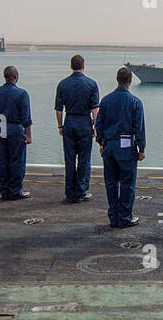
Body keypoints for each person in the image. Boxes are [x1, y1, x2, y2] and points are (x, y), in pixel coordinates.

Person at [96, 67, 146, 228]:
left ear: (117, 79)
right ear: (129, 81)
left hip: (109, 145)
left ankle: (113, 217)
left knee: (111, 183)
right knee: (127, 183)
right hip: (126, 146)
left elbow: (99, 124)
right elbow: (139, 128)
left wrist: (101, 143)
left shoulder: (105, 100)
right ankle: (125, 217)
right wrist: (141, 148)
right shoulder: (135, 102)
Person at [55, 54, 100, 203]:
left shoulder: (62, 84)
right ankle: (80, 191)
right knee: (83, 159)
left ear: (71, 66)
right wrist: (95, 126)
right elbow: (95, 109)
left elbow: (58, 109)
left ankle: (69, 192)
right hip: (84, 122)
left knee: (69, 159)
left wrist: (60, 125)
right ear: (83, 66)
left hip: (69, 121)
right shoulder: (91, 84)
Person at [0, 65, 33, 201]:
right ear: (16, 77)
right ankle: (15, 190)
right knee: (17, 161)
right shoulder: (22, 94)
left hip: (0, 127)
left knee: (2, 161)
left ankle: (5, 190)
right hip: (15, 128)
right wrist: (29, 135)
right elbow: (26, 118)